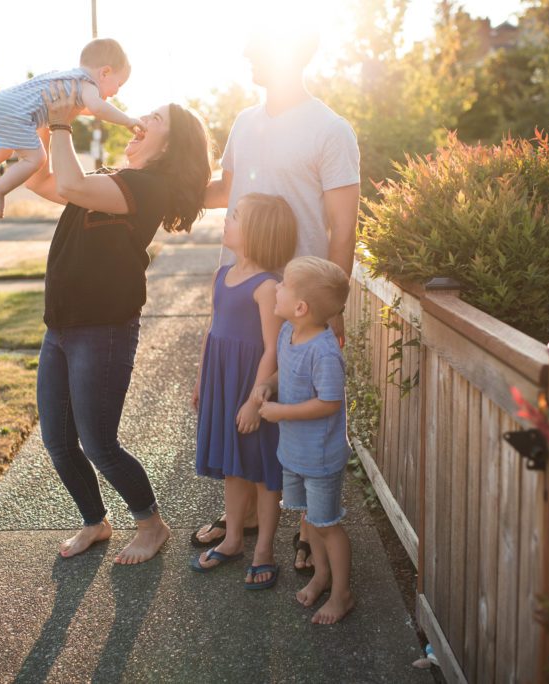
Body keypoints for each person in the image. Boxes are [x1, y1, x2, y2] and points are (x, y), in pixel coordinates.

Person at [25, 79, 211, 564]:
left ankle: (151, 525)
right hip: (61, 327)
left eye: (155, 118)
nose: (140, 120)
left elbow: (70, 185)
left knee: (99, 444)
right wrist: (42, 128)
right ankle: (95, 521)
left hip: (103, 330)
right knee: (58, 440)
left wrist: (63, 123)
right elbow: (42, 182)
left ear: (168, 146)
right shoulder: (113, 177)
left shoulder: (150, 188)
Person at [199, 26, 361, 574]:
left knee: (299, 420)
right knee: (243, 406)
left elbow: (343, 228)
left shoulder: (331, 130)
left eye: (257, 47)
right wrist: (155, 188)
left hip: (299, 306)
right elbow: (225, 190)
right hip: (245, 292)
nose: (246, 52)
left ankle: (309, 527)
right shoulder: (244, 121)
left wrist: (330, 310)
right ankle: (242, 518)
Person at [190, 193, 298, 589]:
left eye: (234, 216)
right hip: (222, 381)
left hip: (253, 386)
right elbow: (212, 330)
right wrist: (202, 379)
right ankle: (233, 539)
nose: (226, 220)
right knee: (233, 466)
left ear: (256, 233)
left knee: (262, 470)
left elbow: (272, 348)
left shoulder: (267, 286)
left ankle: (264, 550)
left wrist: (255, 400)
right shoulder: (222, 274)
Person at [255, 256, 354, 624]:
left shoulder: (325, 352)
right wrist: (269, 384)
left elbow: (329, 403)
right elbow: (286, 371)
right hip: (294, 451)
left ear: (300, 307)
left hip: (321, 457)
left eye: (283, 285)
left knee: (327, 524)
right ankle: (321, 575)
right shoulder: (288, 332)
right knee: (310, 520)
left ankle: (342, 594)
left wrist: (281, 412)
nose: (276, 288)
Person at [0, 38, 144, 219]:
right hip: (15, 114)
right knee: (36, 159)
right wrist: (128, 120)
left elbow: (87, 109)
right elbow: (98, 108)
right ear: (105, 73)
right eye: (119, 84)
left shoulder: (67, 77)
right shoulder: (87, 83)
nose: (117, 91)